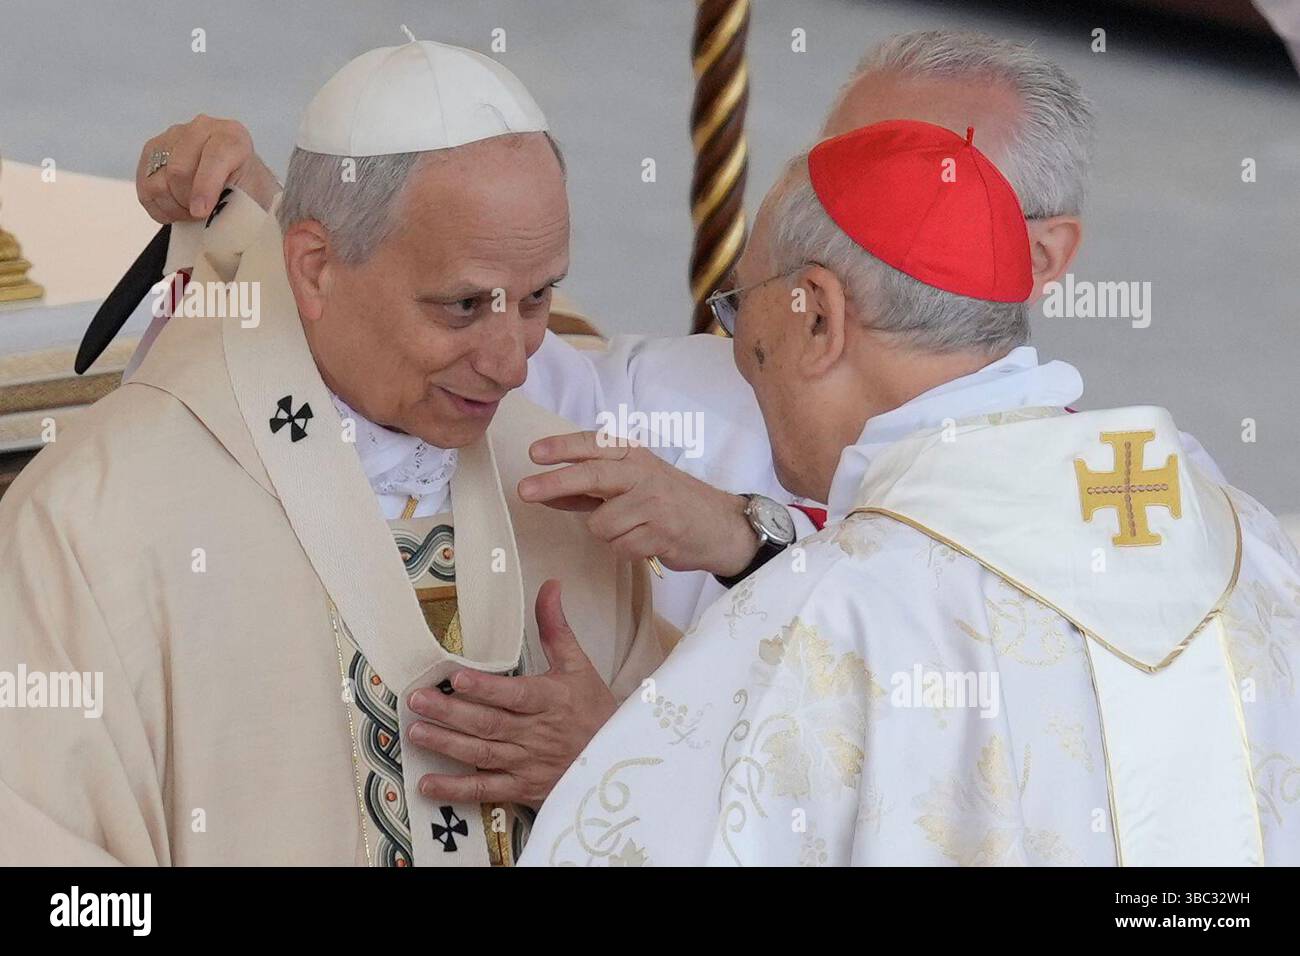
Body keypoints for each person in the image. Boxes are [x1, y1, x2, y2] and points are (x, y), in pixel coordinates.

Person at [129, 31, 1227, 636]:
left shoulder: (1168, 522)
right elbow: (419, 386)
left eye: (915, 186)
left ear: (1041, 256)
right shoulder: (688, 395)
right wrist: (273, 247)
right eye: (835, 169)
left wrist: (609, 747)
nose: (828, 213)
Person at [517, 119, 1300, 867]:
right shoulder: (1246, 539)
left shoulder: (835, 606)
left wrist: (610, 770)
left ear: (818, 316)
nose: (744, 362)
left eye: (739, 312)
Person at [0, 39, 668, 867]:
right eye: (462, 306)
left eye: (537, 299)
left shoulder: (562, 487)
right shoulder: (92, 522)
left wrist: (615, 762)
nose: (513, 360)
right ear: (313, 267)